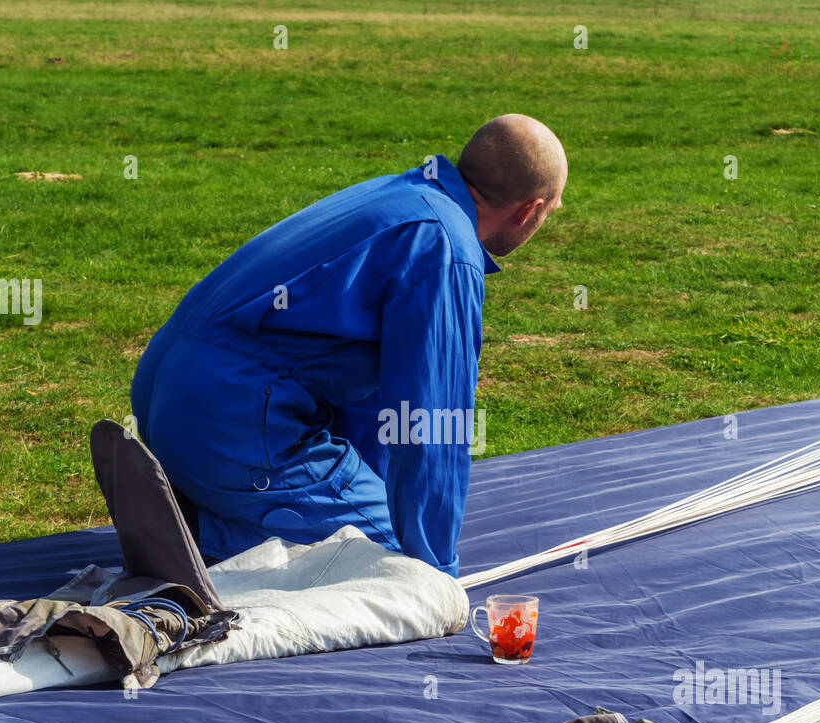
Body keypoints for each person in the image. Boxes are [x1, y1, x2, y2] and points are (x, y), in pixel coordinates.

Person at [130, 114, 567, 576]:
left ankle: (199, 503)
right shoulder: (445, 249)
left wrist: (368, 487)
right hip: (227, 423)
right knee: (389, 561)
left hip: (170, 394)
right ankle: (208, 535)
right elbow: (432, 424)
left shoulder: (403, 195)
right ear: (529, 210)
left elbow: (379, 397)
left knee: (383, 519)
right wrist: (434, 573)